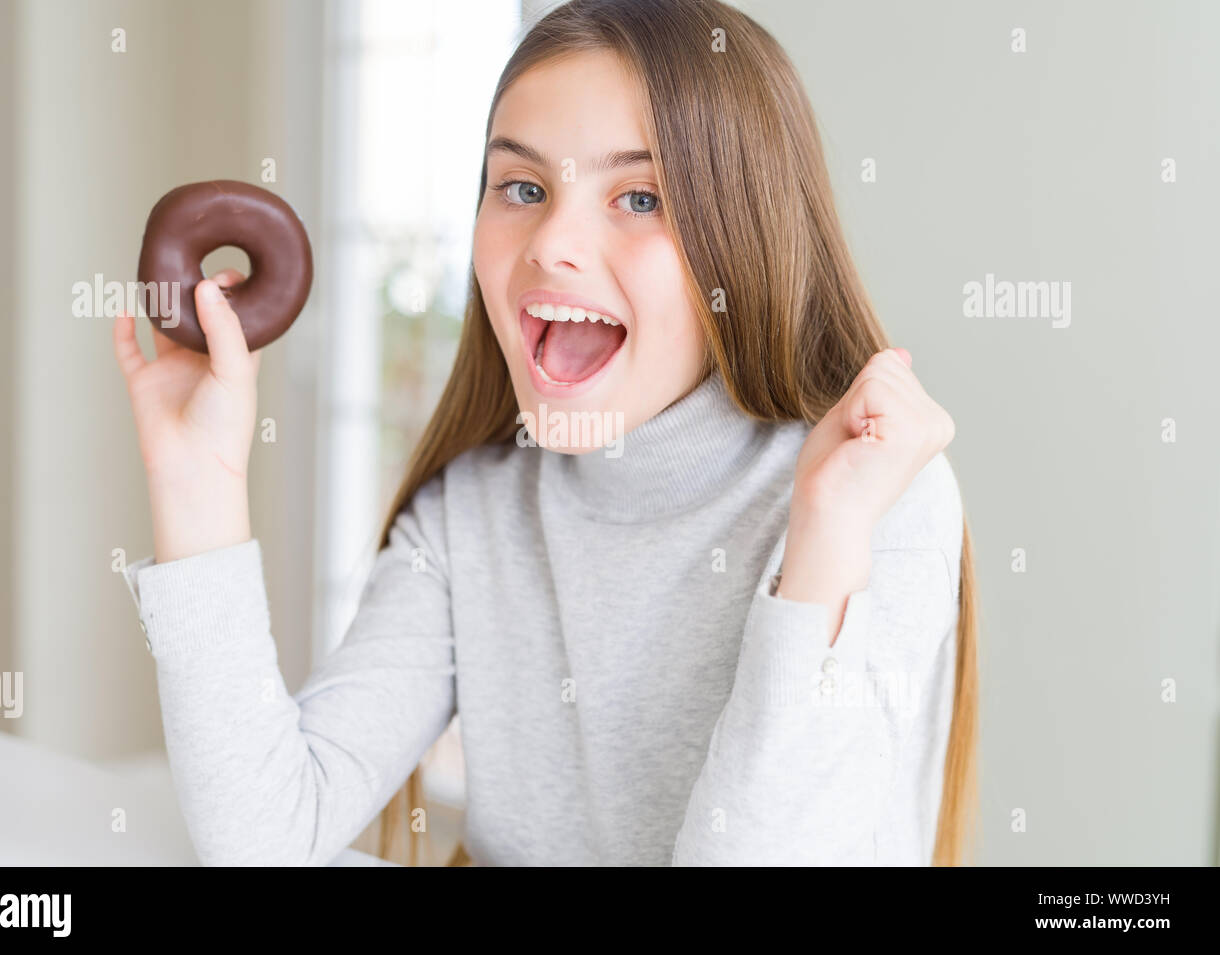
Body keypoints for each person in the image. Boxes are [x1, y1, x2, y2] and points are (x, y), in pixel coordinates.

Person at [111, 0, 978, 867]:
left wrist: (819, 553)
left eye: (639, 197)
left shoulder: (873, 507)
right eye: (522, 188)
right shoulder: (472, 517)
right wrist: (200, 480)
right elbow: (263, 837)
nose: (552, 243)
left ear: (743, 240)